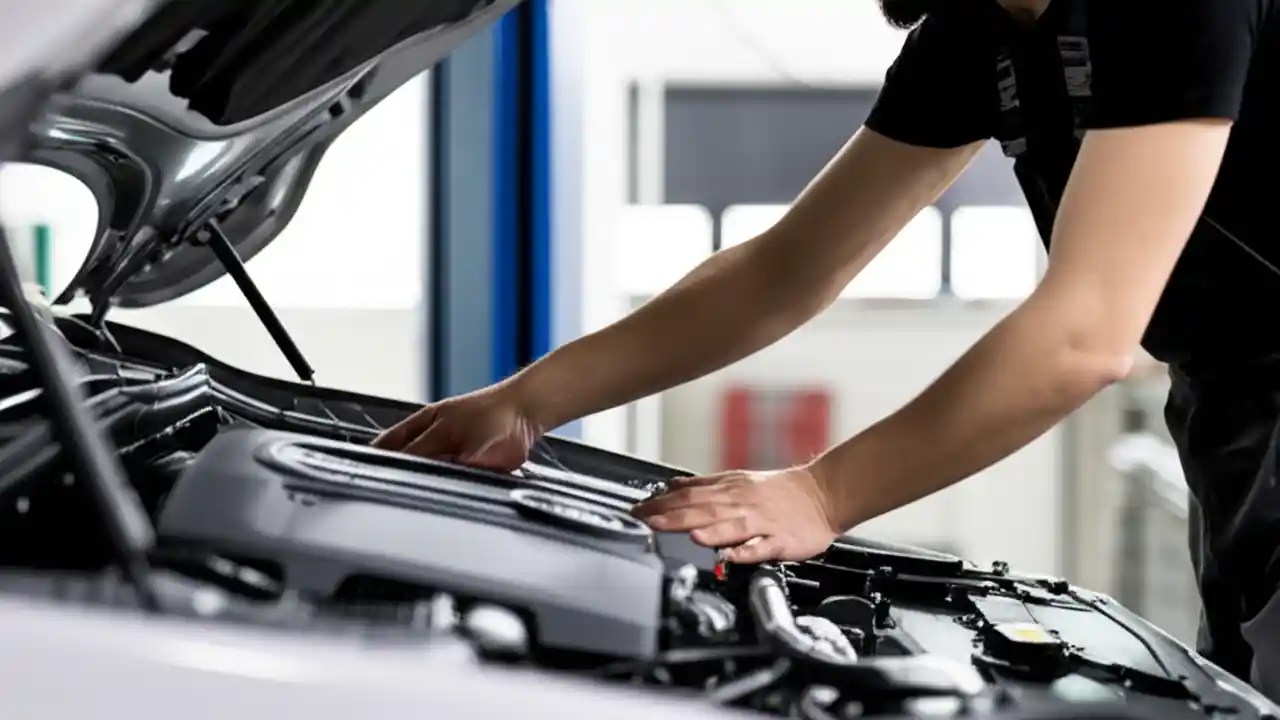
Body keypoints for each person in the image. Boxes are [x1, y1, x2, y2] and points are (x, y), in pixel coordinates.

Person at [375, 0, 1280, 697]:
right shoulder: (984, 31)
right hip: (1236, 417)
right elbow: (787, 269)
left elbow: (1083, 335)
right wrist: (529, 400)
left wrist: (822, 494)